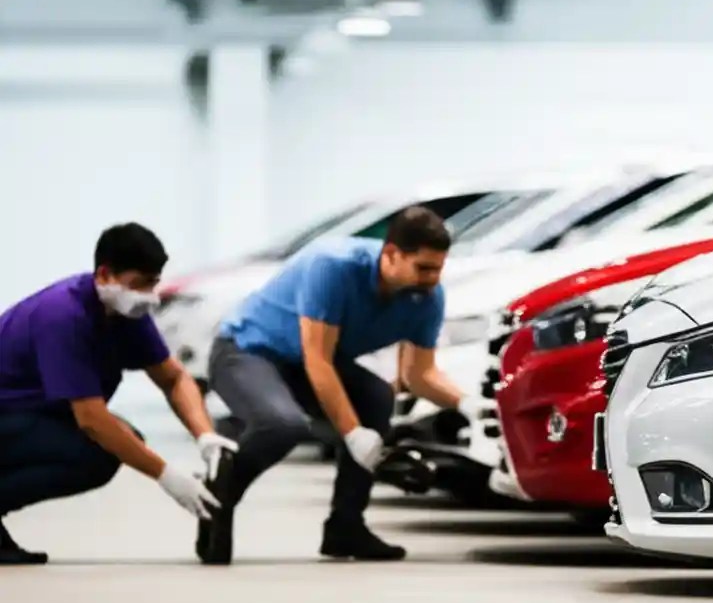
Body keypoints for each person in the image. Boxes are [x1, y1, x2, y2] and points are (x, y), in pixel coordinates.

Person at [207, 206, 493, 564]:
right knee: (282, 425)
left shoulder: (426, 298)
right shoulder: (333, 267)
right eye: (423, 268)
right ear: (390, 255)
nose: (433, 279)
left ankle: (346, 527)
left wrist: (468, 404)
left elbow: (418, 375)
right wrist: (354, 434)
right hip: (246, 352)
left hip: (304, 363)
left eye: (438, 268)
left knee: (376, 396)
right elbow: (318, 359)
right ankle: (216, 499)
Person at [0, 223, 239, 564]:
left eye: (153, 283)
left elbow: (172, 378)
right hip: (9, 415)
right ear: (105, 275)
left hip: (31, 414)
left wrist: (205, 436)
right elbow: (92, 420)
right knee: (97, 451)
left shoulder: (126, 313)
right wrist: (166, 475)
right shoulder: (63, 316)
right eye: (138, 284)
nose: (148, 295)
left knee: (125, 440)